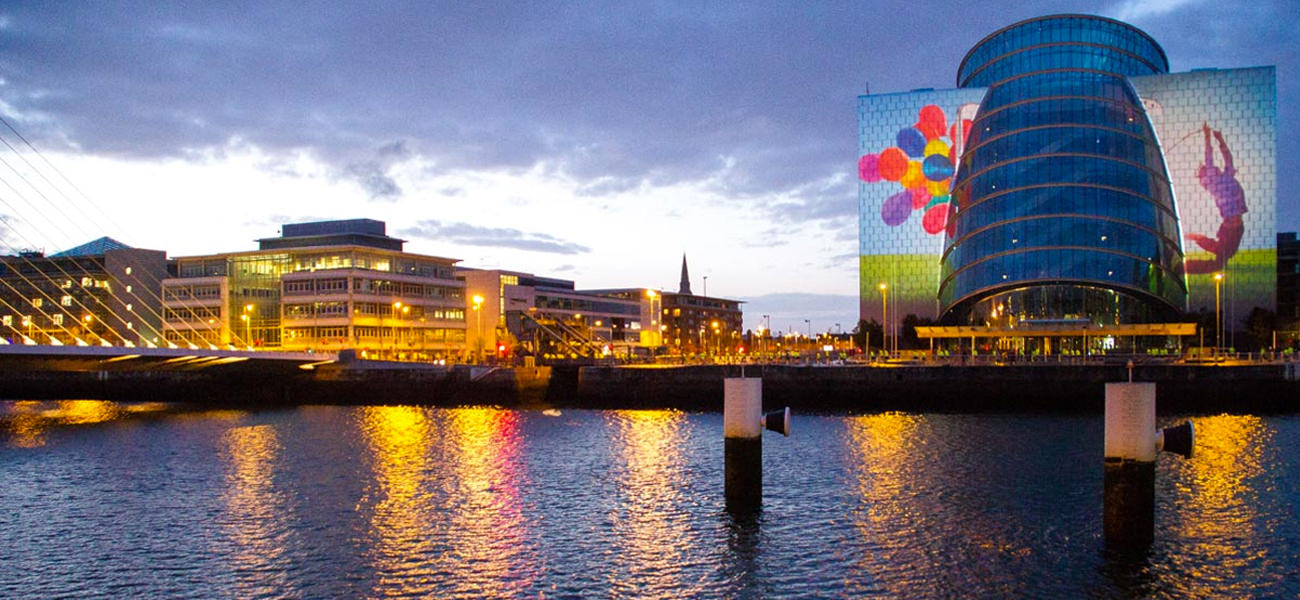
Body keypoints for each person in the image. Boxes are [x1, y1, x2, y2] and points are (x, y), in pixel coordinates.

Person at [1185, 123, 1247, 274]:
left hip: (1231, 227)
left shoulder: (1225, 176)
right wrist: (1210, 137)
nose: (1214, 167)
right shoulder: (1214, 180)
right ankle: (1192, 247)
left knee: (1220, 258)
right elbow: (1210, 155)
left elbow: (1227, 158)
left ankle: (1186, 259)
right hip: (1233, 227)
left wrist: (1219, 139)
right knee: (1221, 258)